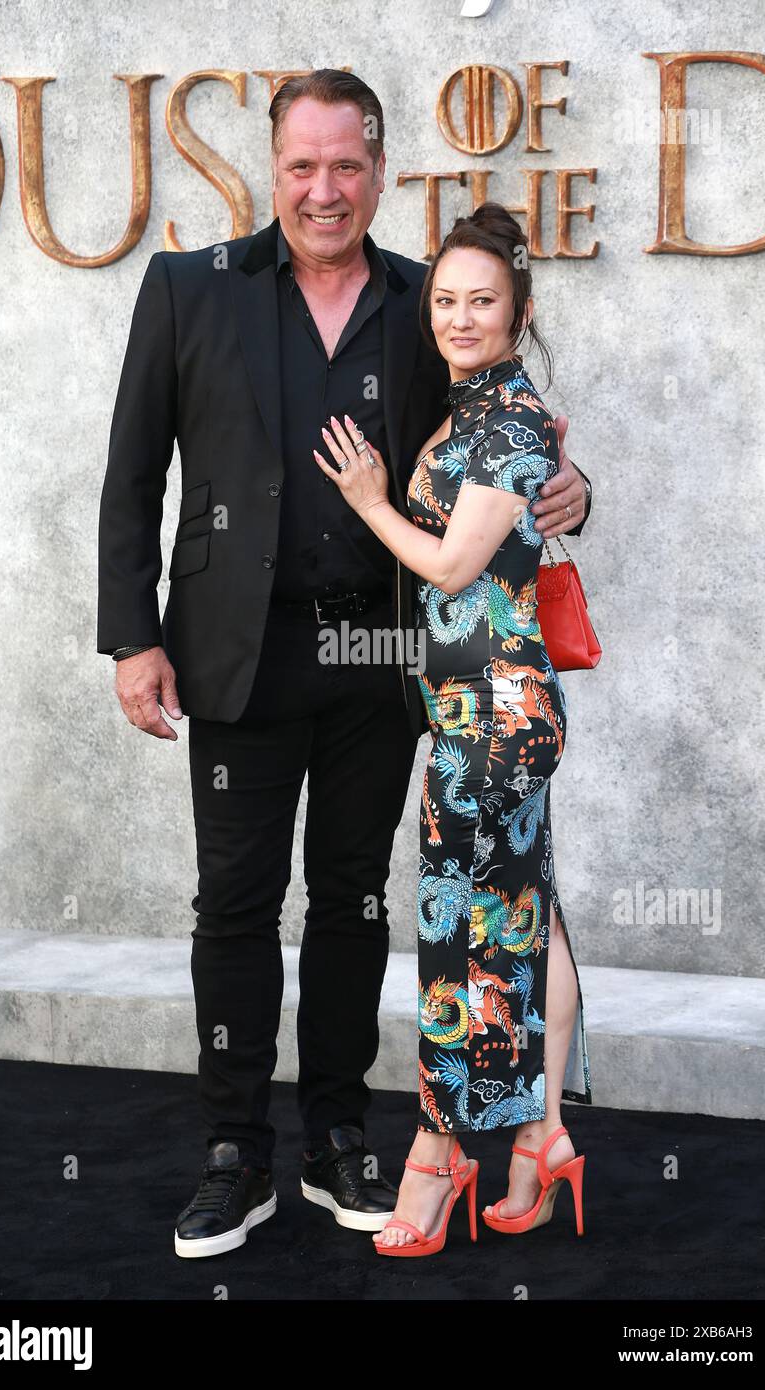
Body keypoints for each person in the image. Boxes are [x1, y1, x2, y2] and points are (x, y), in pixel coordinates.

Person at [97, 69, 593, 1260]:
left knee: (355, 902)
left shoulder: (431, 304)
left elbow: (503, 437)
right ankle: (234, 1153)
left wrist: (576, 492)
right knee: (233, 906)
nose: (324, 190)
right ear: (271, 169)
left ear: (380, 169)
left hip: (383, 663)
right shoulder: (187, 289)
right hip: (235, 654)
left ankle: (334, 1139)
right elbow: (130, 474)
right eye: (302, 166)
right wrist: (132, 635)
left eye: (348, 166)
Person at [314, 201, 592, 1256]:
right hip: (485, 709)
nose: (459, 317)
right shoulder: (479, 408)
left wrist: (373, 498)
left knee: (455, 933)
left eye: (482, 300)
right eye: (445, 300)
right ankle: (543, 1141)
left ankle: (438, 1158)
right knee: (527, 916)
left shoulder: (508, 419)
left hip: (494, 715)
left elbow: (448, 564)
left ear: (519, 310)